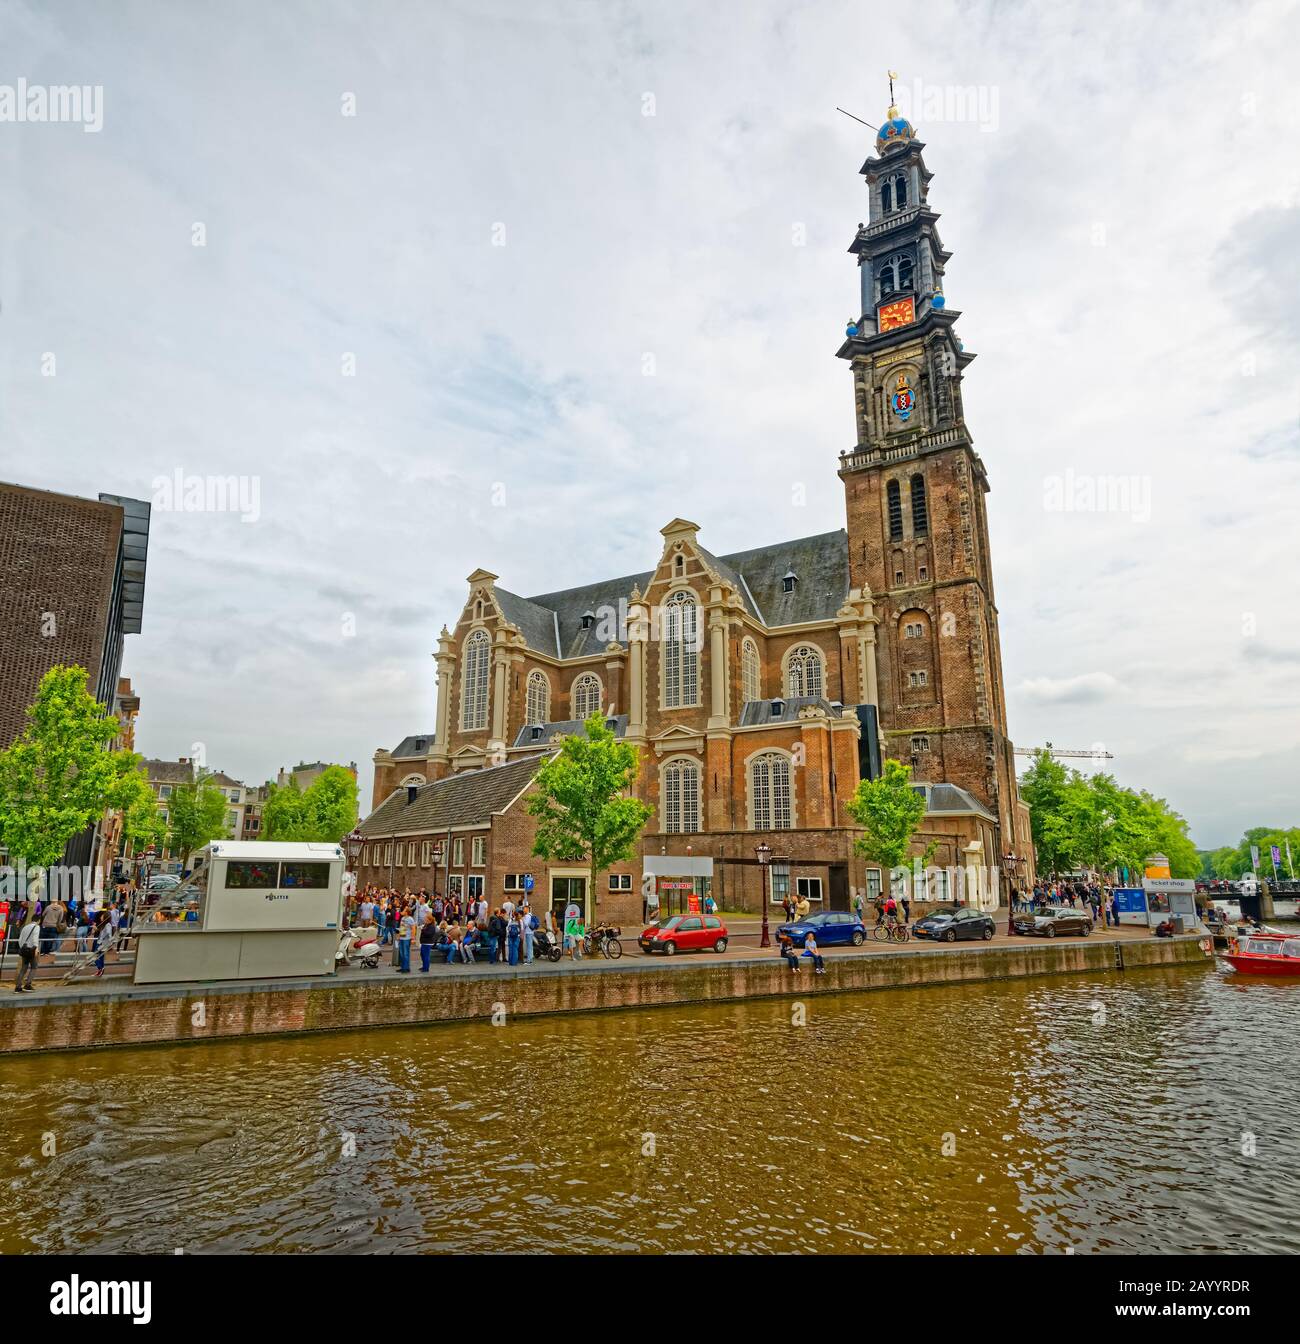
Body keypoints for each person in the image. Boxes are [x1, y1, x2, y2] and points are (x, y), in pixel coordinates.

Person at [14, 909, 41, 991]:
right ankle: (28, 984)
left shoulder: (25, 927)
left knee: (23, 968)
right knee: (34, 967)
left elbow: (20, 939)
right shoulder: (37, 927)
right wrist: (36, 949)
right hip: (32, 950)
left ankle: (18, 987)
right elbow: (35, 938)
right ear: (38, 920)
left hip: (24, 950)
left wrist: (22, 948)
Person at [93, 912, 112, 977]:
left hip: (102, 943)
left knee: (96, 956)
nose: (101, 917)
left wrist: (104, 939)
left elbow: (108, 933)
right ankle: (100, 970)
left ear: (105, 917)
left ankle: (101, 968)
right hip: (100, 942)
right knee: (100, 957)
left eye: (102, 916)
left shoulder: (108, 924)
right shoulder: (104, 924)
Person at [397, 906, 415, 973]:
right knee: (401, 954)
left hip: (407, 938)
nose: (402, 911)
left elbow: (413, 928)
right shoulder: (402, 918)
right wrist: (399, 936)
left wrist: (413, 938)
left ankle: (406, 968)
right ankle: (402, 967)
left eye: (404, 910)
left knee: (406, 953)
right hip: (402, 937)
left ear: (407, 912)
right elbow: (401, 927)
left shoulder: (410, 919)